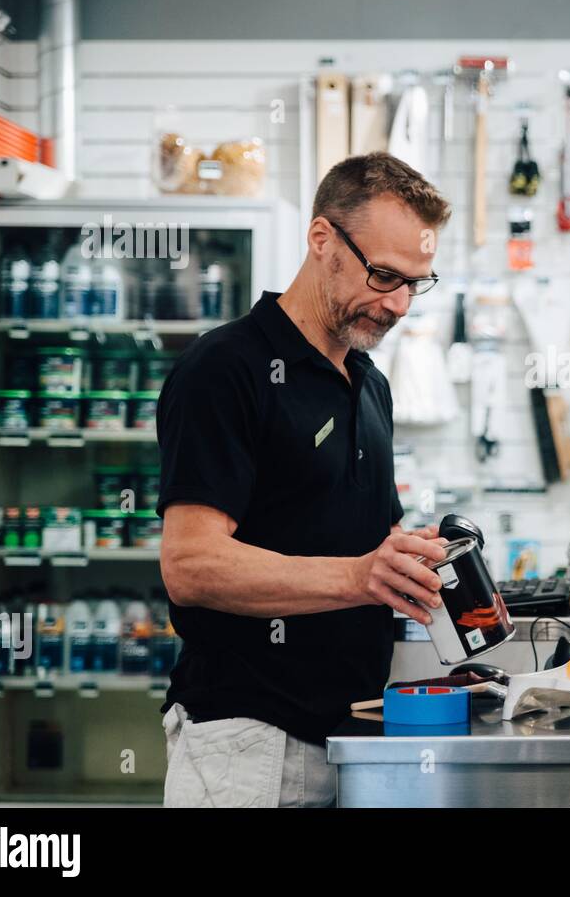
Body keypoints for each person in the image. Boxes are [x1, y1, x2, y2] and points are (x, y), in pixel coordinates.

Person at [156, 153, 451, 807]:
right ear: (322, 241)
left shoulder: (369, 384)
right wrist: (359, 575)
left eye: (416, 283)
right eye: (384, 275)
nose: (399, 303)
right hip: (248, 746)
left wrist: (421, 563)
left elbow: (350, 533)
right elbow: (191, 564)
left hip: (346, 736)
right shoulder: (225, 369)